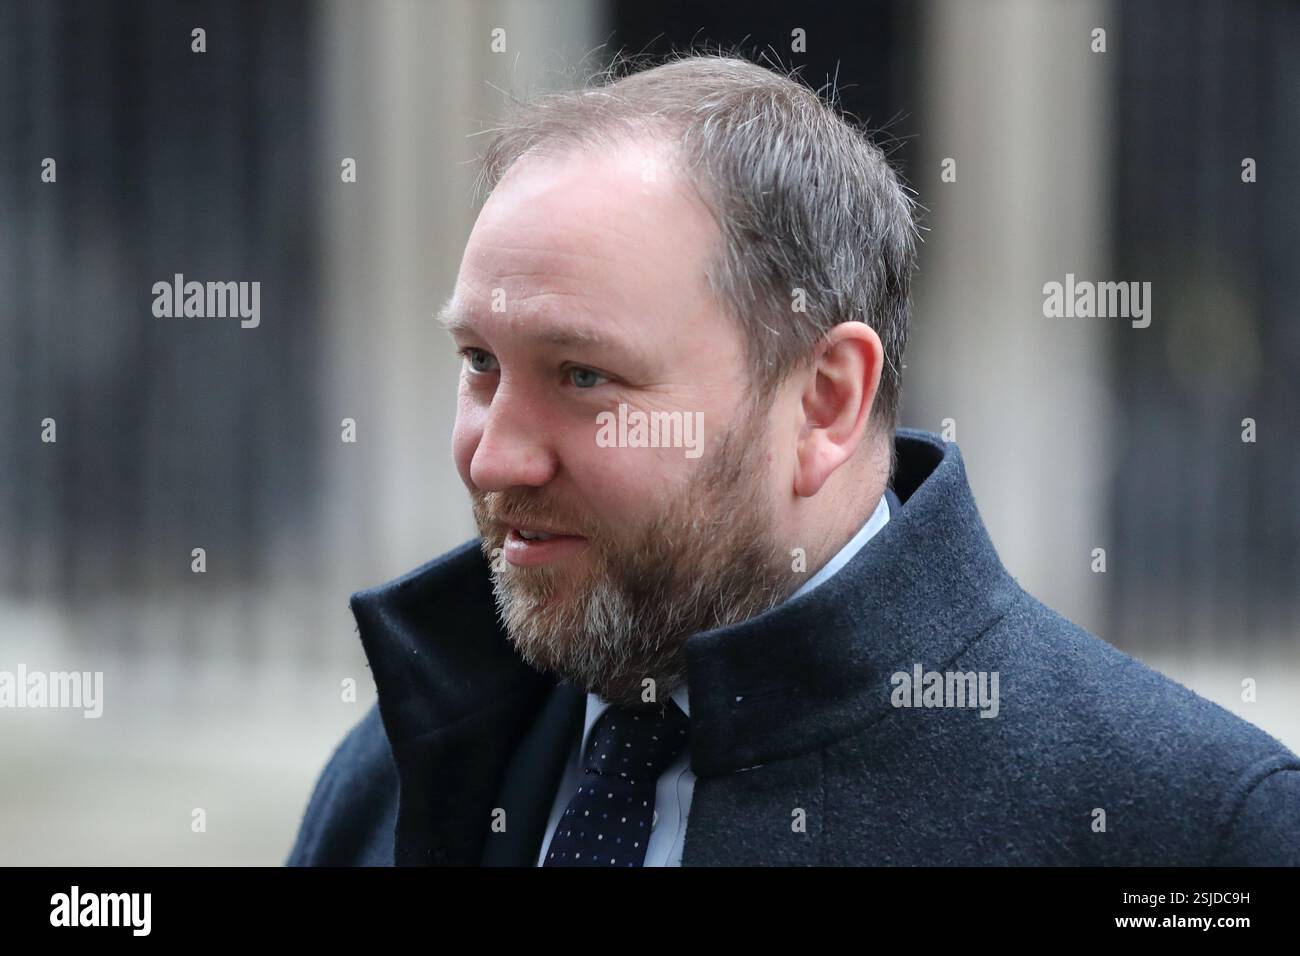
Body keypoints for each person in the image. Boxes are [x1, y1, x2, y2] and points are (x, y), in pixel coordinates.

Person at [286, 54, 1300, 867]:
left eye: (584, 375)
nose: (493, 453)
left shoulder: (1186, 823)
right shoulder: (404, 764)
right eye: (478, 363)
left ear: (823, 401)